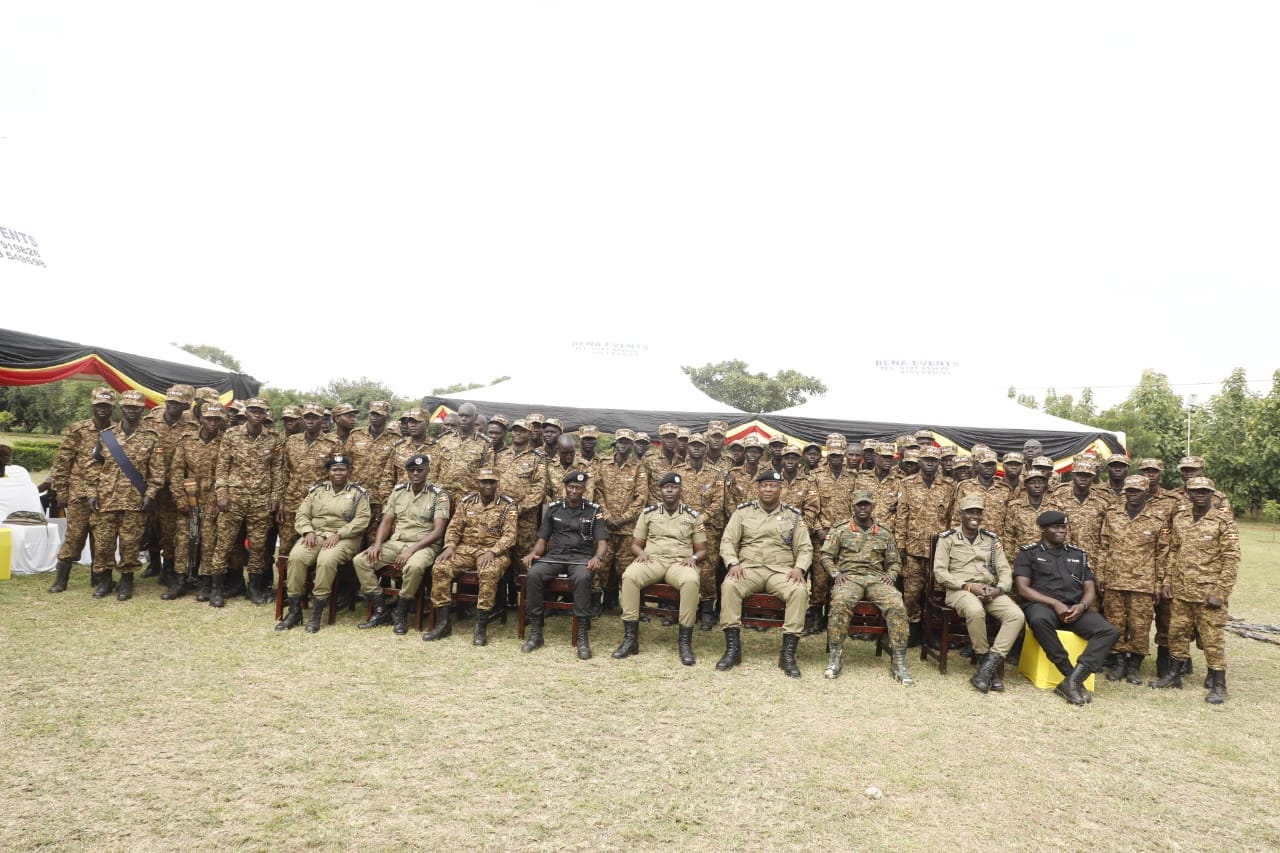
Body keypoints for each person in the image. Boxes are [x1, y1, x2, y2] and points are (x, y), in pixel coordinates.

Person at [1014, 510, 1119, 705]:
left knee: (1109, 631)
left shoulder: (1078, 555)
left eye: (1063, 527)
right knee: (1039, 620)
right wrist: (1055, 603)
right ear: (1042, 530)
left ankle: (1074, 680)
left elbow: (1090, 588)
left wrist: (1082, 605)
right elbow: (1023, 589)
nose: (1061, 531)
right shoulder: (1029, 553)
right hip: (1043, 605)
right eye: (1056, 527)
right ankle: (1069, 673)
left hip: (1074, 608)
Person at [1149, 477, 1239, 703]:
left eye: (1204, 491)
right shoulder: (1181, 518)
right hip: (1181, 591)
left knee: (1212, 639)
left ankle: (1218, 684)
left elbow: (1231, 558)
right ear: (1188, 493)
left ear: (1212, 494)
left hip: (1208, 593)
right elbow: (1173, 551)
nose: (1199, 494)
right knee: (1176, 634)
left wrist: (1220, 591)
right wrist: (1167, 581)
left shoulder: (1223, 521)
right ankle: (1174, 675)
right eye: (1195, 490)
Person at [716, 470, 813, 678]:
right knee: (730, 585)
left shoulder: (793, 515)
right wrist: (733, 563)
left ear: (781, 489)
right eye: (764, 485)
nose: (768, 489)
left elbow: (805, 547)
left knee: (799, 591)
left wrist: (799, 568)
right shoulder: (742, 512)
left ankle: (788, 655)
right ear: (758, 489)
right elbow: (727, 541)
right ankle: (732, 649)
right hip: (749, 568)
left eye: (773, 486)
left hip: (781, 571)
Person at [612, 472, 707, 666]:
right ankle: (630, 639)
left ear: (680, 490)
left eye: (674, 487)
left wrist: (693, 558)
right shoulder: (649, 513)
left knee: (691, 581)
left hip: (679, 562)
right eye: (666, 487)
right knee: (629, 576)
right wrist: (640, 553)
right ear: (660, 490)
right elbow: (635, 544)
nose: (670, 490)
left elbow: (702, 550)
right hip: (653, 560)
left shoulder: (693, 516)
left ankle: (685, 642)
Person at [933, 495, 1025, 694]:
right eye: (970, 512)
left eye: (978, 512)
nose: (975, 516)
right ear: (961, 514)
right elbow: (940, 572)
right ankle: (984, 661)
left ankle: (988, 667)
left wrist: (999, 589)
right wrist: (968, 586)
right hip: (960, 590)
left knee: (1016, 615)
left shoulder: (991, 540)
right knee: (975, 610)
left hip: (989, 590)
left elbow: (1004, 570)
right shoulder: (948, 538)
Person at [350, 453, 451, 635]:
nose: (416, 474)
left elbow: (438, 531)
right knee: (361, 561)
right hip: (397, 542)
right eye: (412, 470)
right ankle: (381, 610)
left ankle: (401, 613)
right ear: (407, 472)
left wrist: (411, 550)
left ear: (428, 470)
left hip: (424, 546)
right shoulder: (398, 492)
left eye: (420, 470)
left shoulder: (439, 495)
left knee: (414, 567)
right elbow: (387, 522)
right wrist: (377, 544)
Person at [822, 490, 914, 684]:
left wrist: (891, 574)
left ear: (873, 506)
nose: (862, 508)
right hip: (850, 578)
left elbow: (894, 562)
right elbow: (826, 556)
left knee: (896, 605)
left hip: (876, 579)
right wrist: (836, 573)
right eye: (859, 504)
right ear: (853, 507)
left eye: (866, 504)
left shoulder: (884, 532)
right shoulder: (840, 529)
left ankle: (898, 661)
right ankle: (835, 658)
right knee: (840, 603)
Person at [421, 468, 516, 645]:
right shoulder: (466, 503)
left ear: (497, 484)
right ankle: (443, 623)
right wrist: (450, 546)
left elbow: (510, 536)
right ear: (477, 483)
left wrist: (492, 551)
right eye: (484, 482)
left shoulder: (508, 505)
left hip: (494, 552)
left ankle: (481, 626)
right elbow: (454, 528)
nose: (488, 486)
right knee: (440, 567)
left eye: (492, 482)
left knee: (488, 572)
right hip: (465, 550)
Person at [88, 390, 166, 602]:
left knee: (130, 544)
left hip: (135, 501)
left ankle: (126, 580)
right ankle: (105, 580)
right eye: (128, 407)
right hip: (106, 499)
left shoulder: (151, 438)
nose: (132, 411)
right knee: (103, 543)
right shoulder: (106, 436)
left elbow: (158, 472)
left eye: (136, 408)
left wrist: (150, 494)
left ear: (142, 410)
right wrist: (92, 492)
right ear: (121, 409)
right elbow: (94, 466)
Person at [520, 471, 608, 659]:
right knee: (533, 574)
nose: (574, 491)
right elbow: (542, 539)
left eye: (578, 487)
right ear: (565, 487)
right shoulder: (554, 509)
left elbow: (602, 542)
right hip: (556, 556)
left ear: (584, 489)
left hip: (581, 557)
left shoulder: (593, 510)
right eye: (571, 487)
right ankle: (536, 633)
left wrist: (598, 557)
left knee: (583, 577)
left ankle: (582, 636)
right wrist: (534, 553)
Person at [279, 454, 371, 632]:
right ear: (328, 472)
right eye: (334, 469)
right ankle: (294, 611)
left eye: (342, 469)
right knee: (296, 557)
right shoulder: (317, 491)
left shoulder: (358, 493)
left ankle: (316, 614)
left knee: (326, 560)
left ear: (349, 471)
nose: (338, 473)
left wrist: (339, 534)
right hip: (316, 534)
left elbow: (362, 520)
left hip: (345, 537)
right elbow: (302, 514)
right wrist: (307, 531)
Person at [1096, 475, 1168, 684]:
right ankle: (1119, 662)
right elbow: (1104, 546)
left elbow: (1162, 553)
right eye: (1129, 490)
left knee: (1140, 625)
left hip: (1143, 583)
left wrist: (1158, 583)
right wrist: (1101, 574)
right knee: (1115, 623)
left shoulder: (1157, 519)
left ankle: (1134, 665)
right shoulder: (1113, 514)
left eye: (1137, 491)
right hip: (1114, 579)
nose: (1132, 494)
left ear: (1146, 492)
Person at [211, 398, 282, 607]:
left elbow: (277, 470)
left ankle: (254, 589)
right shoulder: (231, 435)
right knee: (224, 544)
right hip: (233, 499)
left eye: (261, 411)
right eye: (253, 410)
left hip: (261, 500)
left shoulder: (273, 439)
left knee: (258, 547)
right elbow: (222, 467)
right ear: (246, 412)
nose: (257, 414)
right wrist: (221, 494)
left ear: (266, 413)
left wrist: (275, 497)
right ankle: (217, 590)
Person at [46, 386, 116, 594]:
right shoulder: (79, 429)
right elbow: (63, 462)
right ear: (92, 406)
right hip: (79, 493)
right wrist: (61, 491)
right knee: (74, 536)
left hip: (106, 494)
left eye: (106, 406)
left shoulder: (117, 431)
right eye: (99, 405)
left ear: (112, 408)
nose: (102, 409)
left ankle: (99, 578)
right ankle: (61, 580)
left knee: (102, 539)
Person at [894, 445, 955, 646]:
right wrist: (900, 545)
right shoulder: (907, 483)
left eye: (934, 460)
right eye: (926, 459)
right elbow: (902, 515)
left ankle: (932, 631)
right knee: (911, 593)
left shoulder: (948, 485)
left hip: (939, 551)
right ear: (919, 461)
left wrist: (951, 547)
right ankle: (913, 628)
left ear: (939, 463)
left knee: (937, 593)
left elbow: (951, 519)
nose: (930, 463)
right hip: (913, 549)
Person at [140, 384, 198, 585]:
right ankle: (153, 564)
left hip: (174, 486)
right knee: (149, 526)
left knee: (169, 528)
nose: (173, 406)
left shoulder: (192, 426)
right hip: (149, 484)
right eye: (170, 402)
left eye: (178, 404)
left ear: (186, 406)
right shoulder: (150, 421)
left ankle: (168, 569)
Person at [166, 403, 225, 601]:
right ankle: (180, 581)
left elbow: (226, 473)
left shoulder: (225, 442)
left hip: (212, 500)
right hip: (189, 498)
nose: (212, 423)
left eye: (217, 419)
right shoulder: (187, 440)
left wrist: (218, 501)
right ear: (201, 419)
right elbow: (176, 470)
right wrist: (179, 497)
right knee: (183, 539)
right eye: (209, 419)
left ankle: (206, 584)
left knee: (209, 541)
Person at [592, 429, 650, 616]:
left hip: (627, 528)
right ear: (615, 444)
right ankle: (595, 603)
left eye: (627, 442)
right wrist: (607, 516)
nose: (623, 445)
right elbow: (597, 492)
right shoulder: (603, 464)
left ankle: (630, 606)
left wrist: (624, 518)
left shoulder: (639, 467)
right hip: (605, 526)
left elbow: (641, 497)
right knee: (601, 566)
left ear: (632, 445)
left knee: (627, 568)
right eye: (621, 441)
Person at [674, 433, 726, 630]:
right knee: (681, 564)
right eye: (693, 445)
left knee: (707, 570)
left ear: (705, 448)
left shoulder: (716, 473)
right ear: (687, 447)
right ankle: (682, 608)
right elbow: (672, 497)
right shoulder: (678, 471)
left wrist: (700, 519)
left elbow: (718, 501)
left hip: (708, 528)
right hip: (682, 527)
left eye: (700, 445)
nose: (696, 448)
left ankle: (706, 611)